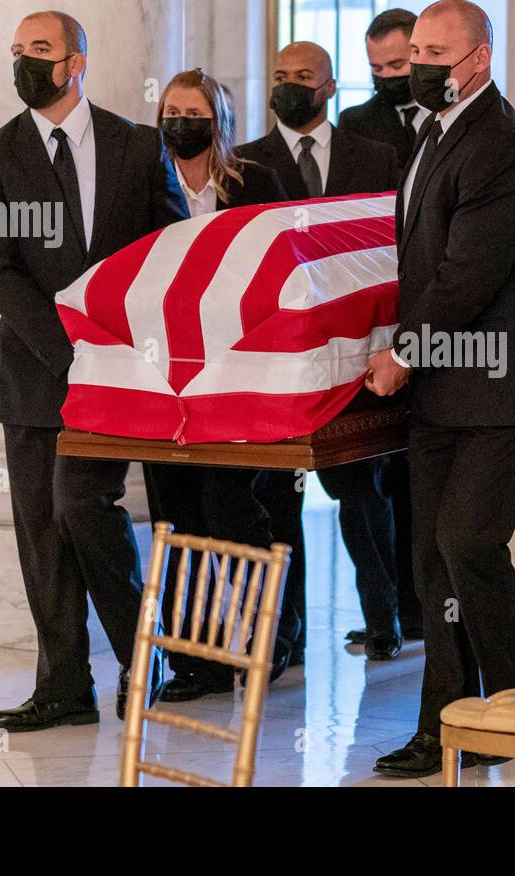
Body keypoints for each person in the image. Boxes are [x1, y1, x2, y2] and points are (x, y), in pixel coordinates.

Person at [0, 10, 187, 731]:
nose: (24, 60)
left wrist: (120, 344)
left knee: (82, 509)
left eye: (40, 49)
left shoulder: (136, 146)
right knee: (41, 530)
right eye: (17, 48)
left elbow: (170, 250)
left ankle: (139, 655)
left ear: (76, 62)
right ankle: (62, 687)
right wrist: (66, 350)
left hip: (116, 370)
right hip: (33, 372)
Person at [367, 0, 515, 777]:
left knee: (470, 544)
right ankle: (446, 724)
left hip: (498, 379)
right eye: (413, 50)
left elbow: (467, 276)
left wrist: (402, 353)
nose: (418, 65)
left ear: (478, 60)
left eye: (433, 54)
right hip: (446, 385)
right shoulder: (435, 129)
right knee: (431, 557)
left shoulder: (498, 144)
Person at [236, 41, 406, 662]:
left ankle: (383, 617)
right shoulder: (247, 163)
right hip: (279, 359)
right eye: (279, 75)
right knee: (277, 497)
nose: (289, 85)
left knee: (359, 490)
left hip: (353, 354)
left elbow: (391, 251)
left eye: (302, 76)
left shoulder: (377, 157)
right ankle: (287, 634)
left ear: (330, 86)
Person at [143, 68, 292, 701]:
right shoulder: (145, 183)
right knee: (175, 515)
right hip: (164, 375)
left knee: (232, 507)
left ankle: (269, 638)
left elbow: (286, 263)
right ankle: (194, 660)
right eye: (171, 111)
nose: (181, 121)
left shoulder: (255, 181)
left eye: (193, 111)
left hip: (237, 371)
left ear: (218, 120)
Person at [338, 7, 428, 644]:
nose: (387, 78)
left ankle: (423, 609)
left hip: (430, 315)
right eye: (375, 69)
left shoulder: (452, 120)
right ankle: (385, 612)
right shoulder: (356, 126)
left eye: (398, 65)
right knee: (367, 479)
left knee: (415, 480)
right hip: (376, 318)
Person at [340, 8, 428, 166]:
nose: (386, 75)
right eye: (376, 68)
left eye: (396, 65)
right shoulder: (355, 122)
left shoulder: (451, 108)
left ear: (421, 55)